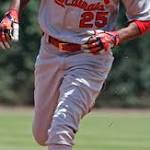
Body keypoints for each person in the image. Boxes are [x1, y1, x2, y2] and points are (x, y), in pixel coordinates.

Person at [0, 0, 150, 150]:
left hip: (91, 55)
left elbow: (145, 18)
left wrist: (115, 36)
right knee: (42, 135)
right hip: (50, 51)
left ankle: (78, 98)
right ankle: (81, 100)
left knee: (60, 132)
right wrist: (12, 13)